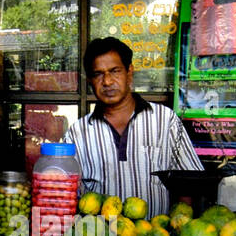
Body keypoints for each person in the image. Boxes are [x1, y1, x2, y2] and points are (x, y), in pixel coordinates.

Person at [63, 38, 202, 218]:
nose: (107, 81)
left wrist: (181, 228)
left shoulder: (165, 120)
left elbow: (189, 183)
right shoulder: (77, 133)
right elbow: (67, 194)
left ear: (129, 72)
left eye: (115, 71)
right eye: (98, 74)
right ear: (90, 80)